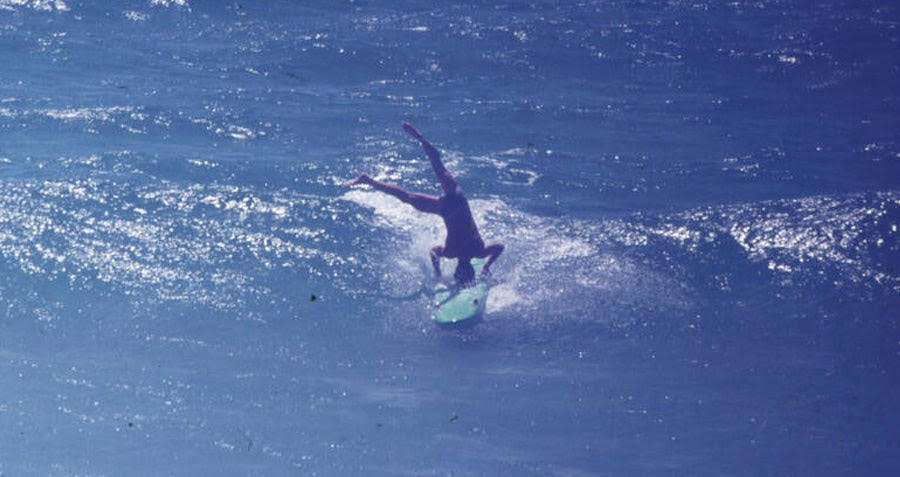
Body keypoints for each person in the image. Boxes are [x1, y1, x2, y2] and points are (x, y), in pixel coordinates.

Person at [347, 122, 504, 284]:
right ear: (457, 269)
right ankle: (368, 181)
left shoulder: (479, 251)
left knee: (438, 165)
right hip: (446, 210)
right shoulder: (450, 253)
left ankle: (419, 137)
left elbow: (499, 247)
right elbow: (433, 252)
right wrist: (438, 272)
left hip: (458, 201)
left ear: (471, 268)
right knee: (406, 196)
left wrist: (487, 265)